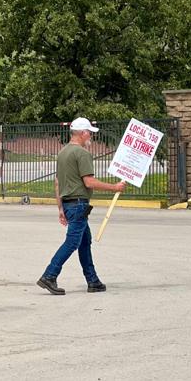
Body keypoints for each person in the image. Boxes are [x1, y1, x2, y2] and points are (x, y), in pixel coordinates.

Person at [37, 117, 126, 296]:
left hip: (70, 204)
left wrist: (60, 208)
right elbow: (89, 181)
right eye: (89, 133)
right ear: (83, 133)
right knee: (72, 242)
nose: (90, 137)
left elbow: (57, 183)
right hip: (78, 204)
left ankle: (93, 281)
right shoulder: (82, 153)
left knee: (84, 243)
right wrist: (114, 187)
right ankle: (49, 275)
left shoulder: (62, 153)